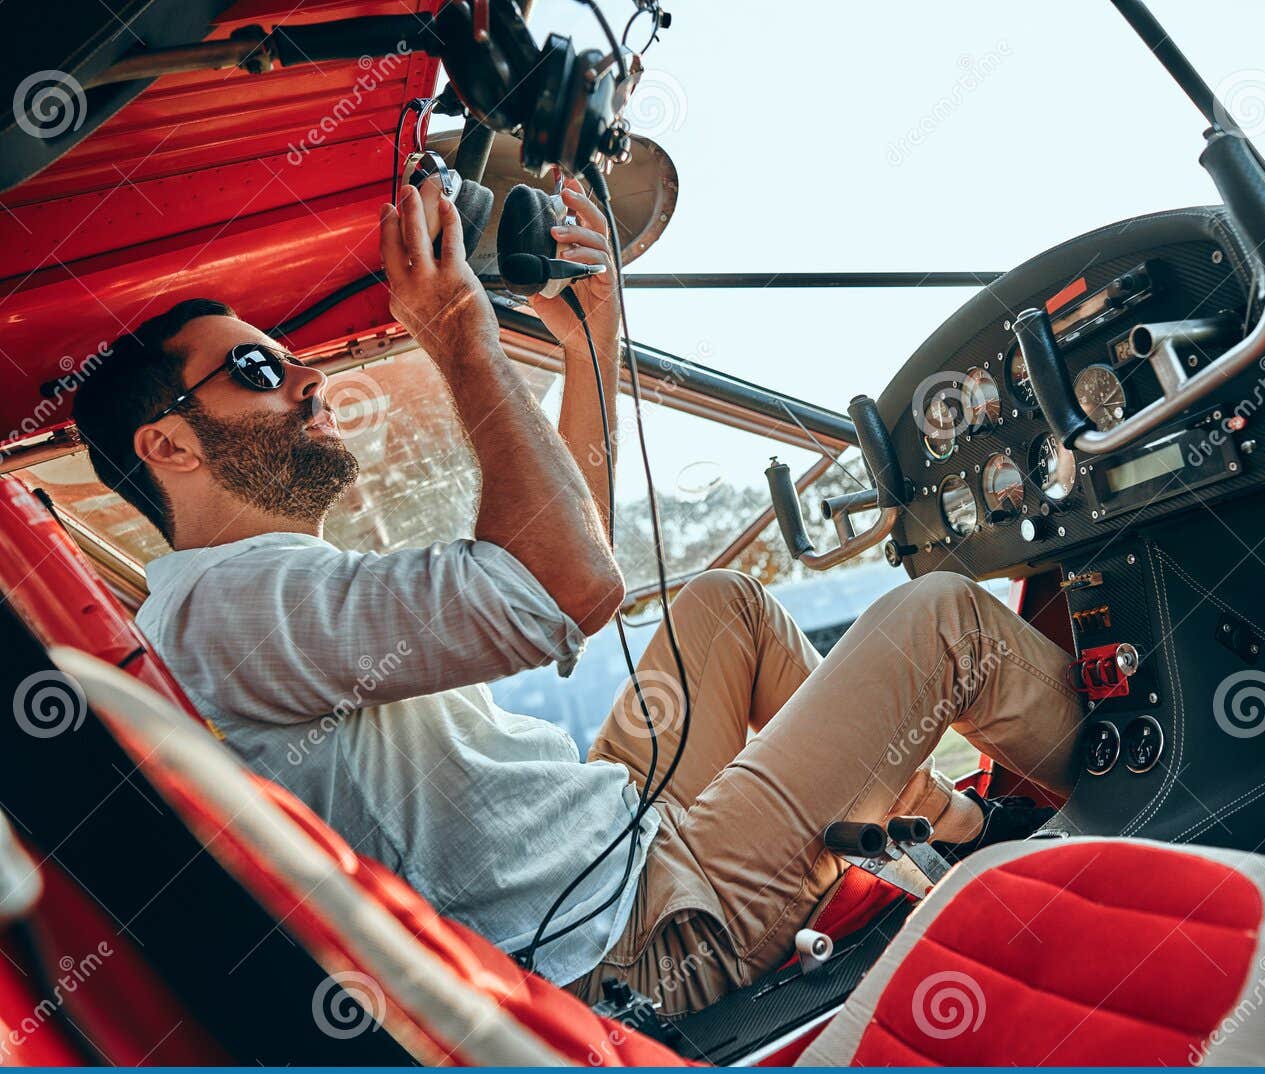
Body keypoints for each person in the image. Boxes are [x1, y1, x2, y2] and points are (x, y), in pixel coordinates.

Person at [70, 178, 1085, 1014]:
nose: (307, 380)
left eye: (296, 356)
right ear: (167, 445)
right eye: (257, 366)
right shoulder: (236, 604)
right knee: (943, 621)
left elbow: (562, 557)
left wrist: (591, 336)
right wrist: (459, 328)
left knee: (722, 607)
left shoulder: (233, 603)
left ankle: (960, 835)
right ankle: (1130, 823)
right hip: (636, 936)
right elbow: (571, 584)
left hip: (611, 842)